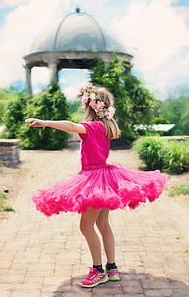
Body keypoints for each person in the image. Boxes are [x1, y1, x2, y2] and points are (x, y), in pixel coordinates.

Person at [25, 83, 168, 288]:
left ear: (90, 107)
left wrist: (45, 122)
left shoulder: (91, 127)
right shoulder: (106, 127)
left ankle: (98, 270)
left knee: (86, 226)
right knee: (103, 224)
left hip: (94, 180)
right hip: (105, 176)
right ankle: (112, 268)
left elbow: (71, 126)